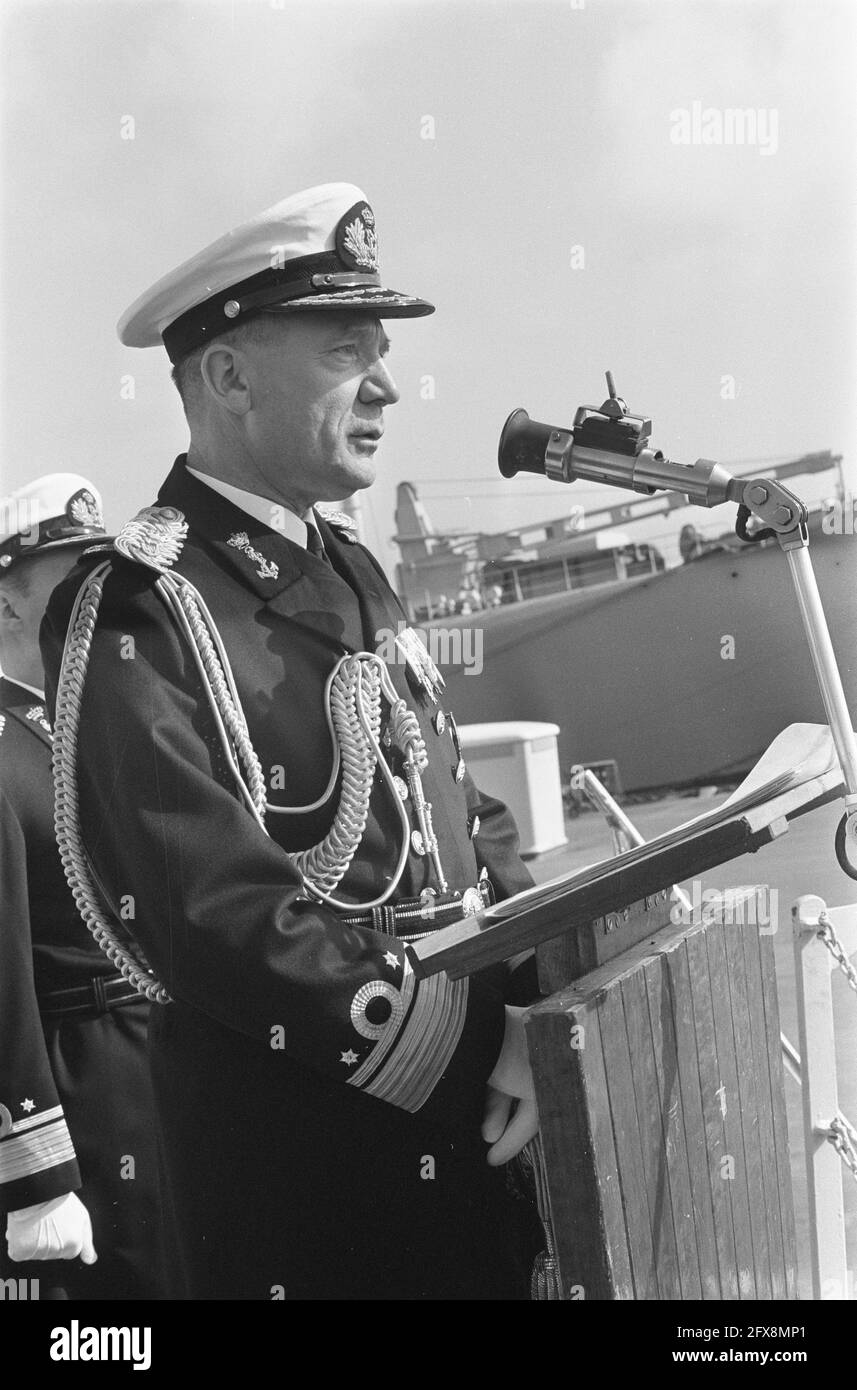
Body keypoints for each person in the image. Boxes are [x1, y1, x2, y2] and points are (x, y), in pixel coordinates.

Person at [41, 184, 542, 1301]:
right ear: (226, 377)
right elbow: (213, 913)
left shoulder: (354, 564)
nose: (387, 383)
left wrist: (538, 995)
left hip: (483, 1125)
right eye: (345, 349)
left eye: (381, 347)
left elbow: (454, 808)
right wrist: (473, 1056)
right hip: (317, 1180)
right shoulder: (139, 604)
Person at [0, 475, 164, 1299]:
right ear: (5, 609)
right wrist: (35, 1175)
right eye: (69, 581)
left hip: (160, 1061)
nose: (91, 599)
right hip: (83, 1087)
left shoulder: (95, 722)